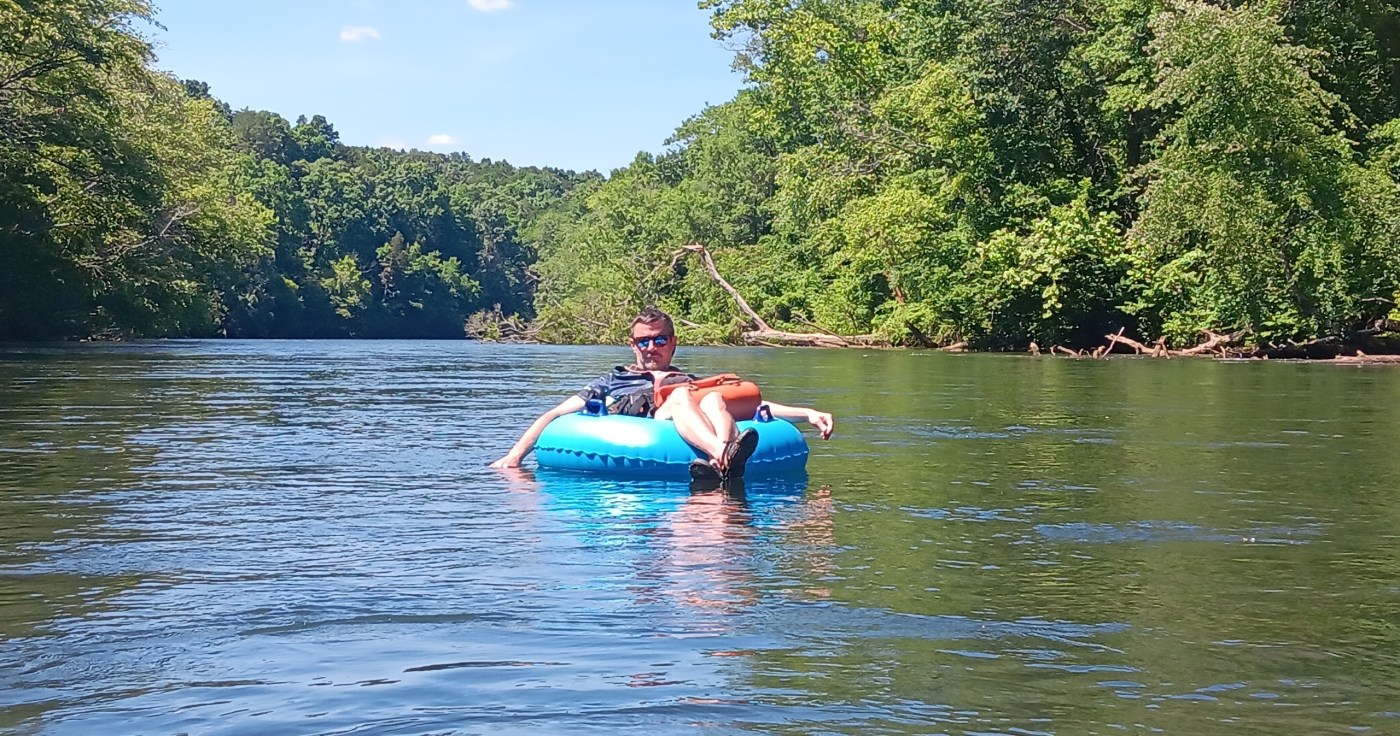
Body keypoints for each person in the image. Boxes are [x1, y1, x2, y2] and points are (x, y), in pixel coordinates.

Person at [489, 307, 834, 480]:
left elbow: (754, 407)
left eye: (659, 340)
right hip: (650, 421)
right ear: (633, 345)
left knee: (714, 397)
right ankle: (725, 454)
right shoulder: (613, 379)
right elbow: (555, 415)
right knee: (683, 397)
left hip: (688, 415)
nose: (651, 348)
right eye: (643, 341)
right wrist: (515, 457)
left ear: (672, 343)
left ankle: (723, 461)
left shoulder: (686, 378)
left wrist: (806, 413)